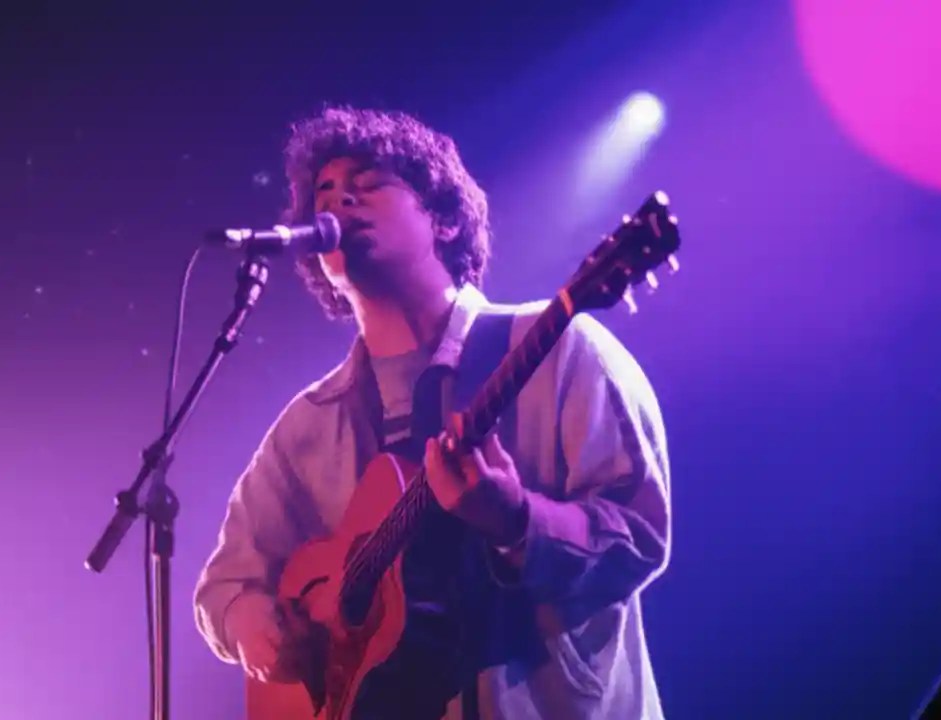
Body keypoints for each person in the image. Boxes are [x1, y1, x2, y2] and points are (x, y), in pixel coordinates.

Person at [193, 105, 672, 720]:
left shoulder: (560, 350)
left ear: (442, 219)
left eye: (369, 184)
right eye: (326, 192)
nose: (339, 200)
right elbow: (227, 584)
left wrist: (517, 519)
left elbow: (641, 536)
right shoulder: (305, 429)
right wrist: (252, 628)